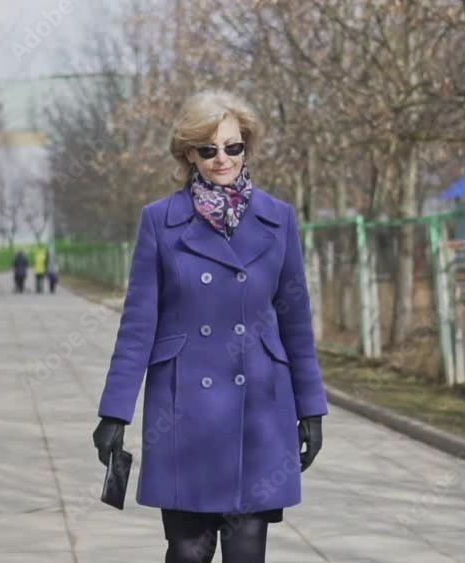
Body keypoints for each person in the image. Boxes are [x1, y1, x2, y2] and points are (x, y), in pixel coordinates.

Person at [91, 90, 327, 563]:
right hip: (182, 415)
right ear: (188, 154)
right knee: (187, 552)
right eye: (209, 149)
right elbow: (139, 324)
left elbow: (295, 323)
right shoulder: (160, 221)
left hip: (259, 410)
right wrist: (115, 412)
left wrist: (311, 408)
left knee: (246, 552)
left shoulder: (278, 219)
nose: (223, 159)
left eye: (233, 147)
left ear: (246, 148)